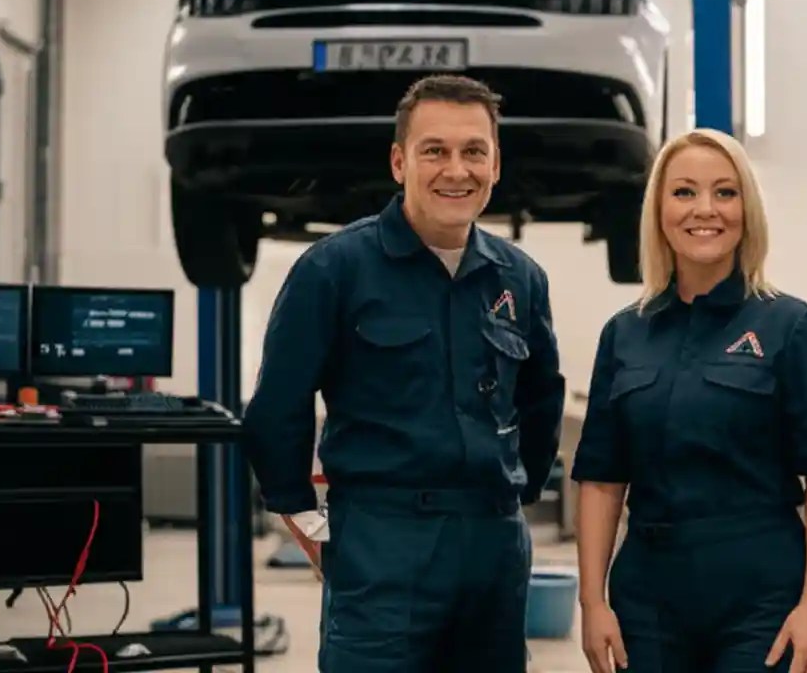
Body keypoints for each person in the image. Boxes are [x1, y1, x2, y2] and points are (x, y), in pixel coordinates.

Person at [241, 74, 566, 673]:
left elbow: (544, 399)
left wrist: (514, 496)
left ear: (496, 165)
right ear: (399, 162)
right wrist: (305, 518)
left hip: (493, 543)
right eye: (434, 151)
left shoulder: (520, 279)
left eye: (474, 152)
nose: (456, 170)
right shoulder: (335, 270)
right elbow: (277, 405)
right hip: (382, 538)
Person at [572, 128, 807, 673]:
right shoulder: (624, 334)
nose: (706, 209)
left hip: (761, 593)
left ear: (747, 209)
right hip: (648, 597)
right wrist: (593, 602)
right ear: (658, 209)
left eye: (725, 193)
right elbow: (603, 478)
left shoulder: (790, 326)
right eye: (684, 192)